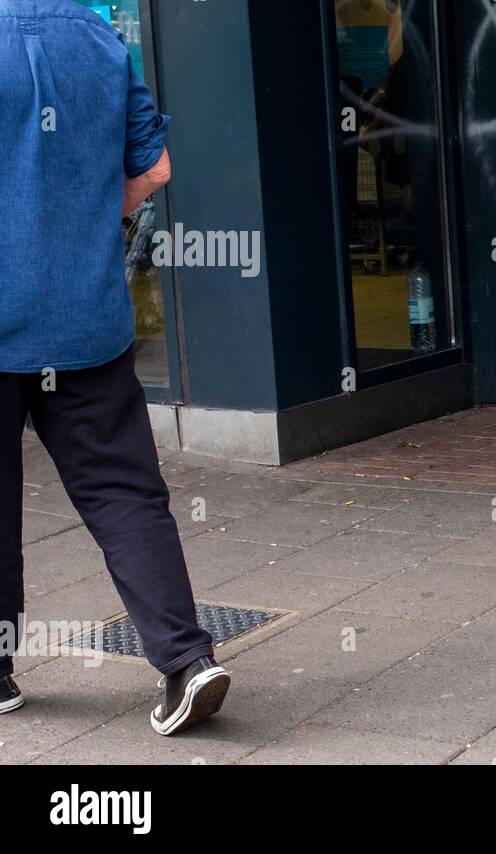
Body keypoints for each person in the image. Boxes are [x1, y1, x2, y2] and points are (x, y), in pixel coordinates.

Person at [0, 0, 229, 734]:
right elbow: (153, 167)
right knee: (125, 492)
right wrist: (91, 225)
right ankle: (186, 662)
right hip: (83, 313)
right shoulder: (99, 35)